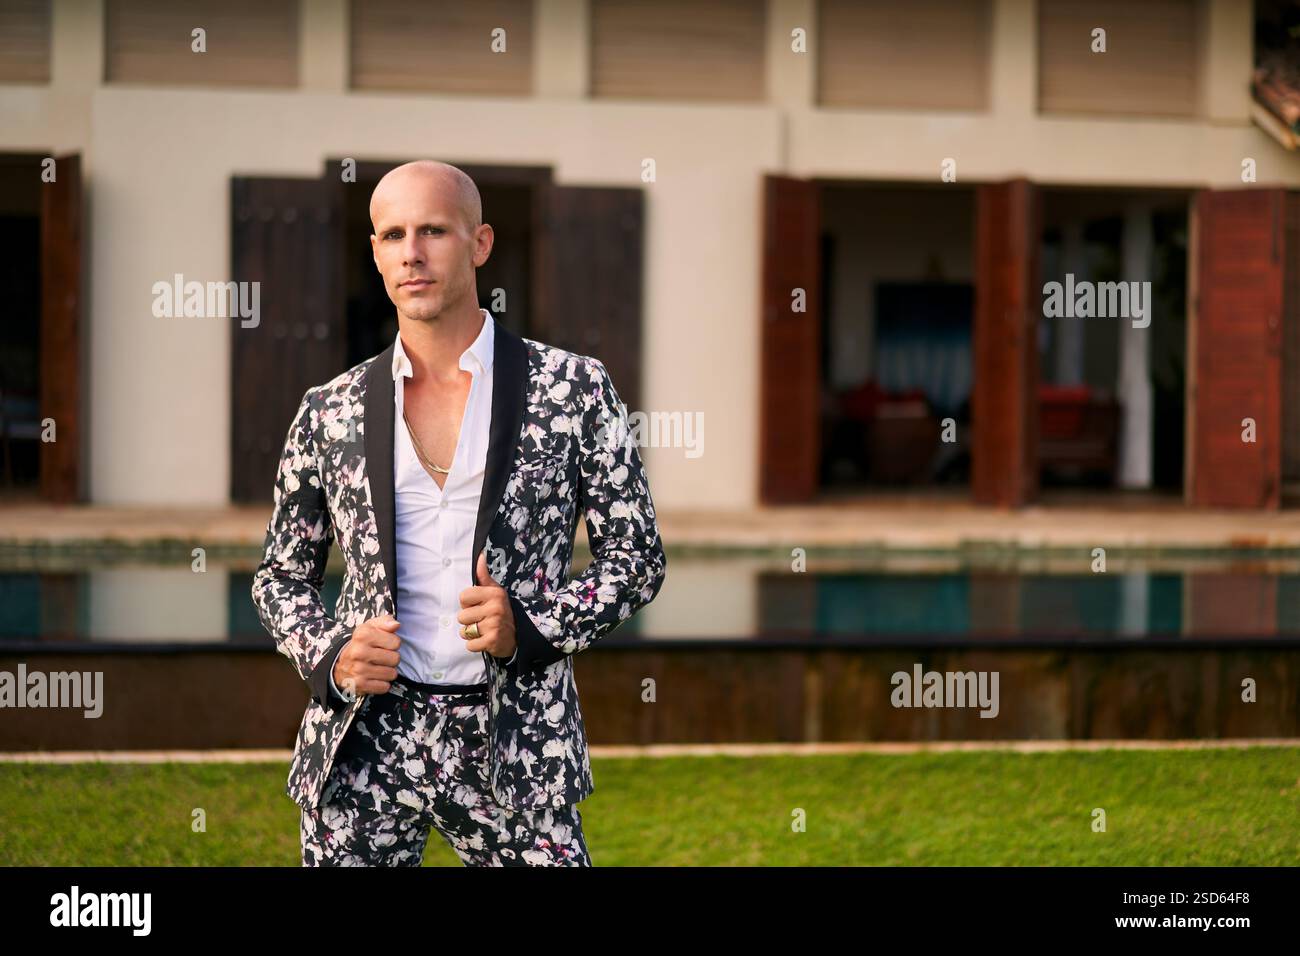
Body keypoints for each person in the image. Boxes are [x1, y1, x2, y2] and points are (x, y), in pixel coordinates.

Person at [250, 160, 667, 866]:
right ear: (377, 253)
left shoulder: (573, 389)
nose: (411, 253)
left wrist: (530, 627)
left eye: (433, 231)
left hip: (515, 738)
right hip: (364, 743)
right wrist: (330, 654)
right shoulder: (330, 410)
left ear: (479, 244)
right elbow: (279, 578)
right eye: (392, 235)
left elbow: (636, 559)